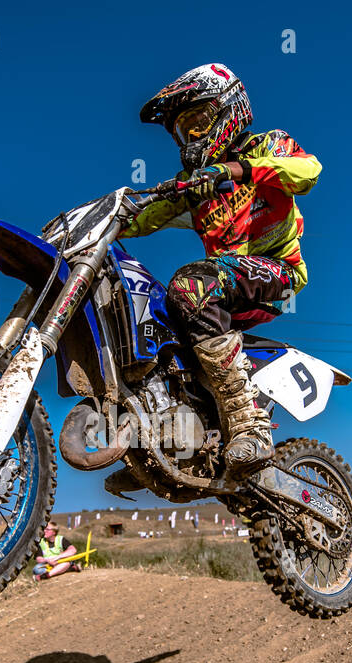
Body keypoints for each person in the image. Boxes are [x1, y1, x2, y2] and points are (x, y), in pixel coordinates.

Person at [122, 63, 322, 473]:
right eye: (182, 130)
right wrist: (110, 215)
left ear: (227, 110)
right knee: (152, 312)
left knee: (192, 284)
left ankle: (251, 427)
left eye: (197, 123)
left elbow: (309, 171)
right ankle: (160, 440)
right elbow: (142, 219)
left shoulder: (268, 146)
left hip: (278, 274)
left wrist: (237, 170)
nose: (191, 137)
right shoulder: (194, 184)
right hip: (224, 282)